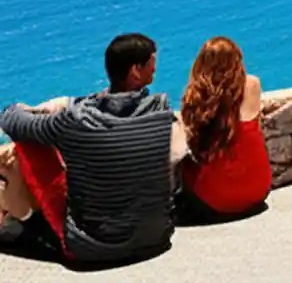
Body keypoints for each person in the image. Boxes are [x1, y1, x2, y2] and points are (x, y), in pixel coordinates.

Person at [0, 33, 181, 264]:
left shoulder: (75, 121)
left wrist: (15, 108)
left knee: (28, 143)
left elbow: (15, 123)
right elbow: (115, 104)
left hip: (92, 248)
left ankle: (20, 217)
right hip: (157, 238)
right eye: (151, 64)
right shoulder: (160, 110)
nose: (154, 69)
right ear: (136, 71)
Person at [177, 36, 270, 222]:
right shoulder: (253, 84)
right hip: (258, 189)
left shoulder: (196, 96)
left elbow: (193, 143)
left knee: (182, 164)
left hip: (217, 201)